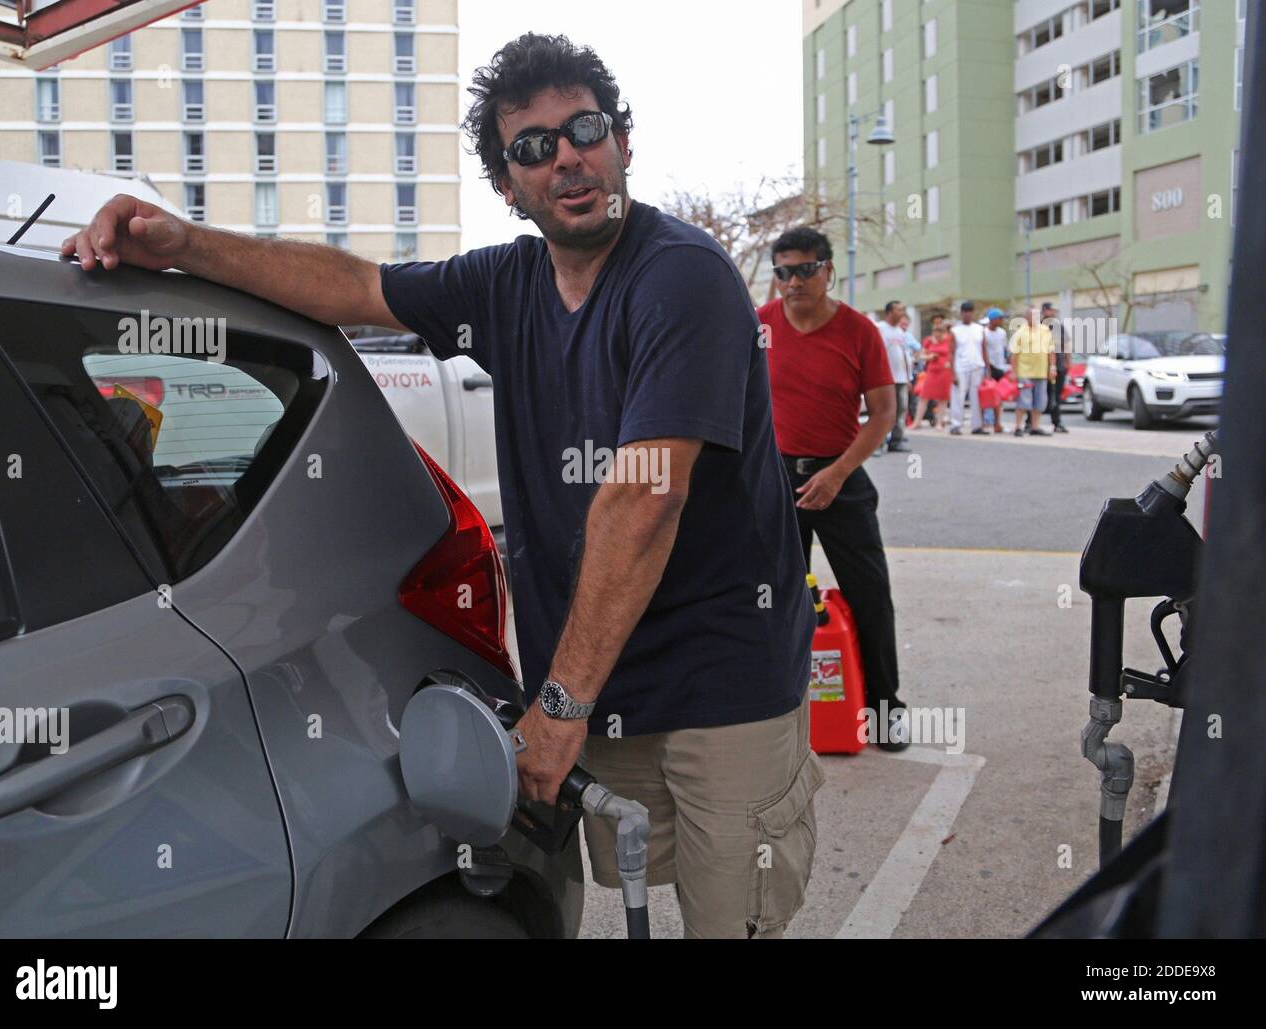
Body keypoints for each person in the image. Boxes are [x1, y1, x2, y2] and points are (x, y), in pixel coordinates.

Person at [62, 32, 822, 940]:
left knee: (731, 922)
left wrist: (561, 706)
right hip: (593, 682)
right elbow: (352, 285)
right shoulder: (505, 283)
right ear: (509, 186)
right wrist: (186, 246)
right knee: (598, 896)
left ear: (623, 141)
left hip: (717, 688)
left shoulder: (680, 277)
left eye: (583, 129)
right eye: (532, 147)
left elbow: (644, 495)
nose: (566, 158)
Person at [758, 227, 911, 753]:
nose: (793, 281)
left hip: (841, 477)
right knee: (777, 599)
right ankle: (780, 710)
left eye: (804, 269)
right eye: (783, 271)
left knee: (871, 596)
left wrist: (838, 473)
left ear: (828, 270)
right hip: (777, 479)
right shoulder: (761, 325)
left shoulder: (858, 331)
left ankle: (886, 710)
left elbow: (885, 414)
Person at [1009, 305, 1054, 436]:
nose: (1035, 318)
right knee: (1024, 401)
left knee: (1039, 402)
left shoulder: (1045, 331)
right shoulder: (1020, 332)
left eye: (1037, 315)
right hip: (1025, 372)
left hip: (1041, 372)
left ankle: (1035, 427)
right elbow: (1014, 355)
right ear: (1026, 317)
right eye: (1032, 315)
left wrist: (1052, 367)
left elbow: (1051, 351)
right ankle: (1018, 427)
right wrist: (1014, 371)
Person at [949, 301, 991, 435]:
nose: (968, 314)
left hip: (977, 366)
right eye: (965, 311)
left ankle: (977, 425)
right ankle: (956, 425)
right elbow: (951, 353)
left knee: (976, 397)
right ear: (961, 313)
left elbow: (984, 349)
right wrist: (952, 373)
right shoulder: (955, 330)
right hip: (960, 367)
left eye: (970, 311)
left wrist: (988, 370)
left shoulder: (979, 329)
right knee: (958, 397)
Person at [876, 300, 912, 453]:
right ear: (889, 312)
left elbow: (905, 355)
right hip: (885, 379)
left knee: (901, 410)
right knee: (883, 411)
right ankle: (878, 444)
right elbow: (875, 354)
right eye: (899, 310)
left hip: (901, 378)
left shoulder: (900, 332)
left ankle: (896, 441)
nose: (902, 313)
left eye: (903, 309)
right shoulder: (879, 329)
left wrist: (908, 377)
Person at [916, 317, 953, 429]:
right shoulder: (928, 340)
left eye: (939, 332)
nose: (937, 335)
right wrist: (929, 357)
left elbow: (952, 353)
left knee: (942, 398)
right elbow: (921, 355)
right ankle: (917, 421)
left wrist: (949, 363)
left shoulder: (949, 340)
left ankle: (939, 422)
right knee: (924, 396)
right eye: (935, 332)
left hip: (944, 371)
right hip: (932, 371)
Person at [1042, 301, 1072, 434]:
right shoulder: (1039, 326)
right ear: (1044, 310)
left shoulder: (1059, 326)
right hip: (1042, 366)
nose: (1053, 313)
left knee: (1056, 396)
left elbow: (1066, 345)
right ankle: (1030, 422)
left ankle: (1057, 422)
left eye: (1054, 310)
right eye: (1051, 310)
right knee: (1040, 394)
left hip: (1059, 365)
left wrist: (1068, 361)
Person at [982, 308, 1009, 433]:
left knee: (998, 397)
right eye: (1000, 318)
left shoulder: (1002, 333)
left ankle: (997, 423)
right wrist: (987, 369)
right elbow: (982, 352)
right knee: (986, 396)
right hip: (988, 368)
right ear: (993, 319)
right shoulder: (984, 333)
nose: (1002, 320)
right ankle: (984, 422)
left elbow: (1004, 350)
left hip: (1000, 367)